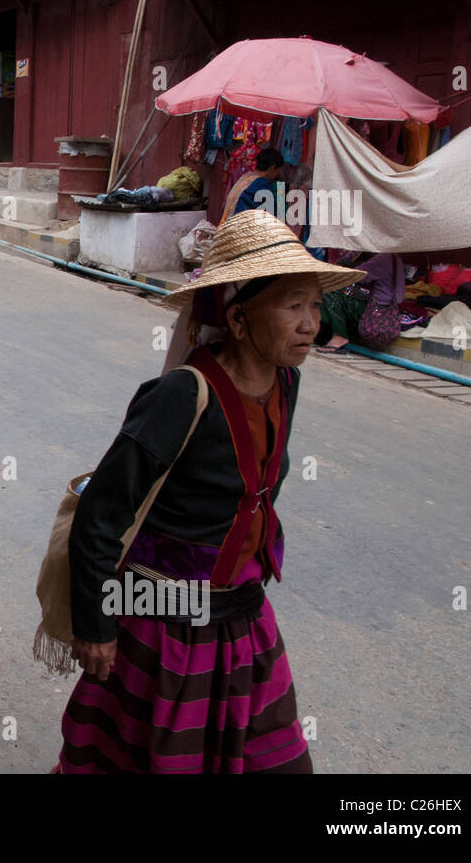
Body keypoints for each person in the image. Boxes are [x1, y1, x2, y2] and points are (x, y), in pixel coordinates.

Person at [53, 208, 365, 774]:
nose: (310, 324)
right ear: (240, 321)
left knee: (280, 763)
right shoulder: (179, 395)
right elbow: (102, 513)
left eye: (315, 305)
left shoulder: (286, 381)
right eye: (293, 305)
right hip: (165, 619)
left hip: (243, 613)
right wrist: (95, 627)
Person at [317, 251, 405, 352]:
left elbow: (358, 276)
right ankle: (325, 335)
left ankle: (339, 336)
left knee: (331, 293)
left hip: (377, 308)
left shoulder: (385, 257)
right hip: (372, 303)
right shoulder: (390, 256)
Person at [220, 147, 285, 222]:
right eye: (278, 172)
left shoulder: (246, 177)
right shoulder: (261, 184)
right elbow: (274, 217)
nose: (277, 175)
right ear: (272, 168)